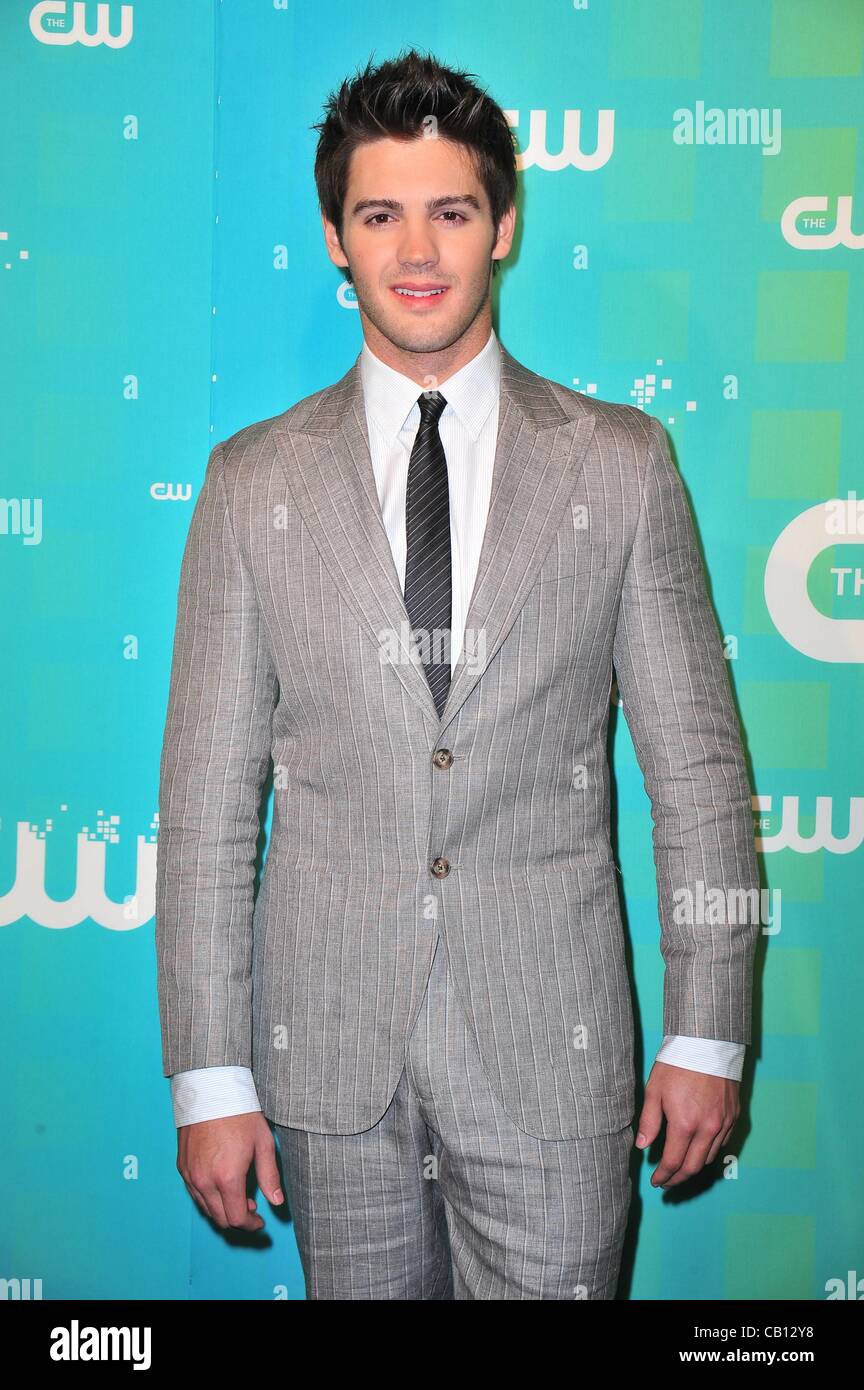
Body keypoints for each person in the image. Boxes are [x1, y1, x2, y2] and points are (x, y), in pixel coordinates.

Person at [155, 48, 760, 1300]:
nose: (417, 249)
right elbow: (209, 803)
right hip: (326, 1063)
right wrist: (209, 1073)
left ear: (505, 226)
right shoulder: (251, 483)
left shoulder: (622, 463)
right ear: (335, 236)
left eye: (452, 210)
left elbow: (698, 772)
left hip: (554, 1050)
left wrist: (709, 1031)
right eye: (380, 214)